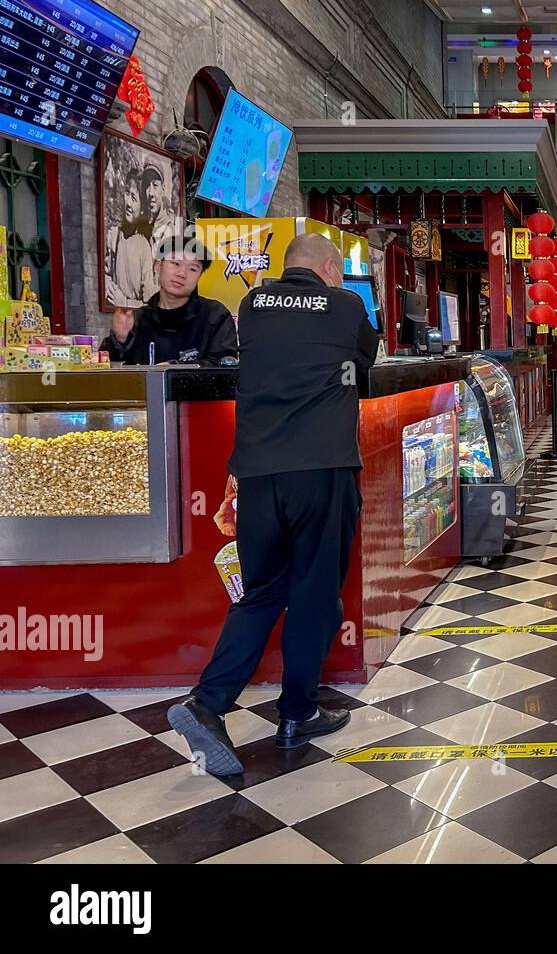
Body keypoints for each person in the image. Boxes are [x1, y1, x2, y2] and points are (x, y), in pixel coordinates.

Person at [168, 233, 380, 777]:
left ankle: (208, 703)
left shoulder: (252, 305)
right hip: (322, 470)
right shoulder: (349, 304)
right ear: (331, 269)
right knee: (313, 594)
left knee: (259, 593)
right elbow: (365, 366)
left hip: (257, 475)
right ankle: (296, 714)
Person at [100, 235, 237, 365]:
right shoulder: (137, 320)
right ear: (158, 266)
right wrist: (119, 341)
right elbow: (107, 372)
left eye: (192, 269)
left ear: (199, 276)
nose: (182, 273)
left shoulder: (215, 316)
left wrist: (174, 368)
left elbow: (224, 365)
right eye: (175, 263)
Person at [107, 169, 159, 308]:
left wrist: (125, 302)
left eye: (134, 198)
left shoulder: (144, 247)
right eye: (127, 194)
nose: (128, 203)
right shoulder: (114, 235)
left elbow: (150, 302)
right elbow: (105, 274)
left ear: (142, 209)